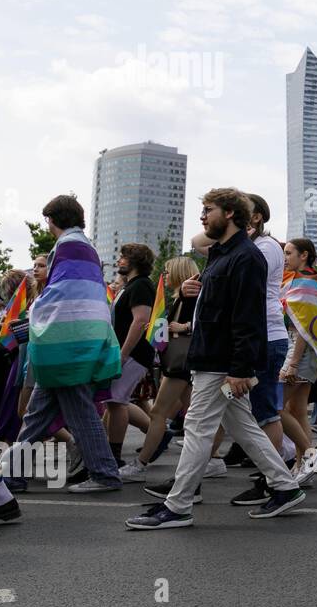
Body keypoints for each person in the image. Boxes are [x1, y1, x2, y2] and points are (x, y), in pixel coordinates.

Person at [126, 189, 306, 529]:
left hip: (221, 362)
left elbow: (247, 317)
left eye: (208, 210)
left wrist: (240, 369)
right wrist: (186, 291)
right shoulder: (222, 254)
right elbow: (216, 308)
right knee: (243, 425)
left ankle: (178, 506)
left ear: (230, 214)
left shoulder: (247, 257)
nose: (202, 216)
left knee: (197, 428)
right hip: (211, 357)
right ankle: (285, 487)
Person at [0, 196, 123, 525]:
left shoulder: (67, 247)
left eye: (47, 222)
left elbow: (62, 298)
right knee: (36, 417)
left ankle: (104, 473)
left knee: (78, 412)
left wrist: (32, 317)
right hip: (78, 341)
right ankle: (12, 476)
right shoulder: (85, 246)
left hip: (66, 346)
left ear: (53, 220)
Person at [119, 256, 200, 481]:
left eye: (168, 270)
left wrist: (182, 327)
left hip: (179, 363)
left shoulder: (190, 296)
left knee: (158, 413)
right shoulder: (182, 297)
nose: (165, 275)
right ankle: (208, 461)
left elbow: (203, 322)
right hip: (180, 362)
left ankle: (141, 463)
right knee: (196, 417)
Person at [102, 243, 157, 468]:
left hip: (134, 353)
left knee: (117, 401)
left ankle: (113, 457)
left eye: (123, 257)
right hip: (126, 352)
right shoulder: (130, 286)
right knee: (113, 401)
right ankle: (108, 451)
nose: (119, 261)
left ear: (135, 260)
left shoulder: (142, 285)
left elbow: (141, 321)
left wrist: (123, 354)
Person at [279, 237, 317, 481]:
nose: (285, 257)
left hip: (301, 351)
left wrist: (293, 363)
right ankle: (301, 466)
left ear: (304, 255)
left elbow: (303, 328)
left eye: (289, 253)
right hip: (304, 351)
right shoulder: (309, 280)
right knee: (297, 409)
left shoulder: (306, 281)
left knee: (274, 406)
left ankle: (310, 456)